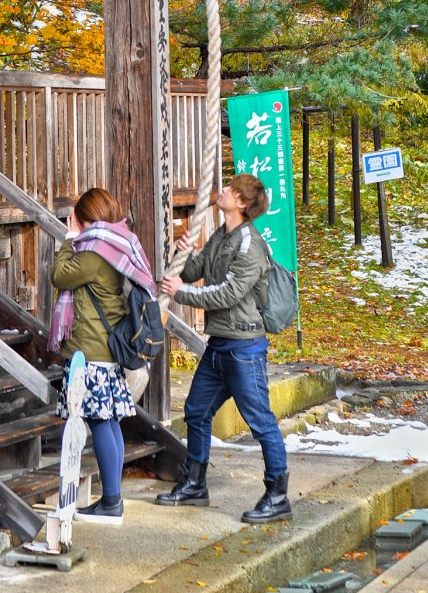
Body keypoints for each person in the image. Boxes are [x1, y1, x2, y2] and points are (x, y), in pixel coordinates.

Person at [157, 172, 292, 524]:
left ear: (243, 204)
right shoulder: (222, 234)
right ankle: (195, 485)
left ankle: (277, 495)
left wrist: (178, 293)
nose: (225, 191)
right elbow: (194, 271)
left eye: (232, 189)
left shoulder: (251, 245)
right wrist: (181, 252)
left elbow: (227, 294)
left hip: (244, 348)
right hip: (219, 345)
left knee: (260, 421)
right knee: (197, 410)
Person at [48, 186, 157, 526]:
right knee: (108, 421)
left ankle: (111, 502)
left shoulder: (94, 251)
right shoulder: (117, 243)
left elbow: (60, 275)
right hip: (105, 347)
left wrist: (68, 238)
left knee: (99, 422)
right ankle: (112, 498)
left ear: (83, 218)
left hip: (92, 349)